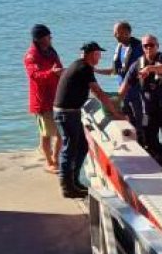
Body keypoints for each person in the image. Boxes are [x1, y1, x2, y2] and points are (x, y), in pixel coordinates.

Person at [53, 42, 125, 198]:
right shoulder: (85, 68)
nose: (100, 57)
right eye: (99, 54)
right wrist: (115, 113)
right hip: (66, 113)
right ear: (92, 54)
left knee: (82, 146)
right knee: (69, 149)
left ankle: (74, 181)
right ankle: (66, 187)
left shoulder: (78, 65)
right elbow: (98, 92)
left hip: (70, 112)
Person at [123, 34, 162, 168]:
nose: (148, 48)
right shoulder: (137, 64)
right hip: (149, 110)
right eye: (145, 46)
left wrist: (150, 68)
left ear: (157, 46)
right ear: (142, 48)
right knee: (149, 140)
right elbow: (126, 84)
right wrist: (117, 101)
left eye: (151, 45)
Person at [23, 24, 63, 173]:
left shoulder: (51, 52)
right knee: (46, 134)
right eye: (47, 36)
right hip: (42, 101)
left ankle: (56, 157)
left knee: (60, 132)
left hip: (57, 97)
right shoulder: (31, 56)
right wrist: (52, 73)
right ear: (39, 39)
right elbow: (34, 76)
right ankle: (49, 161)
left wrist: (61, 73)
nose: (50, 38)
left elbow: (58, 67)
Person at [97, 21, 144, 137]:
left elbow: (140, 71)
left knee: (138, 122)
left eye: (117, 33)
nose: (114, 35)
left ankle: (144, 144)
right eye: (114, 33)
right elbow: (114, 71)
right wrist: (96, 70)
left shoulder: (138, 48)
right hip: (123, 94)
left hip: (136, 94)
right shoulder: (120, 47)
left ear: (127, 33)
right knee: (127, 121)